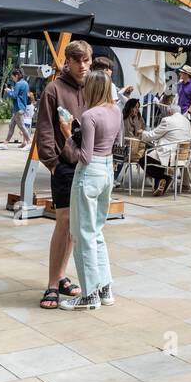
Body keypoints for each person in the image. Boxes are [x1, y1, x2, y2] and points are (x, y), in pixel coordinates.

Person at [35, 40, 93, 310]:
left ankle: (60, 276)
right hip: (65, 166)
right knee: (64, 222)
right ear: (67, 62)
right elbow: (44, 131)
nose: (82, 66)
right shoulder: (53, 89)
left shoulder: (92, 89)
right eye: (77, 60)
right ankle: (51, 283)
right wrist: (54, 164)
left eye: (86, 60)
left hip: (86, 165)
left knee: (73, 227)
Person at [60, 68, 122, 310]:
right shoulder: (115, 111)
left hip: (90, 171)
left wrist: (68, 133)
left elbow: (83, 156)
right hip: (107, 169)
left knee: (82, 234)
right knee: (97, 232)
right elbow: (117, 143)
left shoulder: (89, 115)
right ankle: (104, 288)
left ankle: (88, 295)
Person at [142, 95, 191, 196]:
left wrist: (142, 133)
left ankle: (166, 178)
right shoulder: (187, 121)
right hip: (183, 156)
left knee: (143, 159)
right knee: (155, 159)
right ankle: (160, 184)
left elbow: (152, 135)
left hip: (169, 155)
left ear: (170, 112)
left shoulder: (167, 120)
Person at [2, 69, 31, 149]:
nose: (13, 79)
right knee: (11, 125)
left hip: (18, 108)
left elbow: (14, 95)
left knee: (21, 126)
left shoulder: (18, 84)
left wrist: (8, 91)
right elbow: (19, 95)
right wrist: (12, 91)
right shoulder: (25, 83)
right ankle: (5, 143)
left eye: (13, 77)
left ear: (17, 76)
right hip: (21, 107)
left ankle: (29, 142)